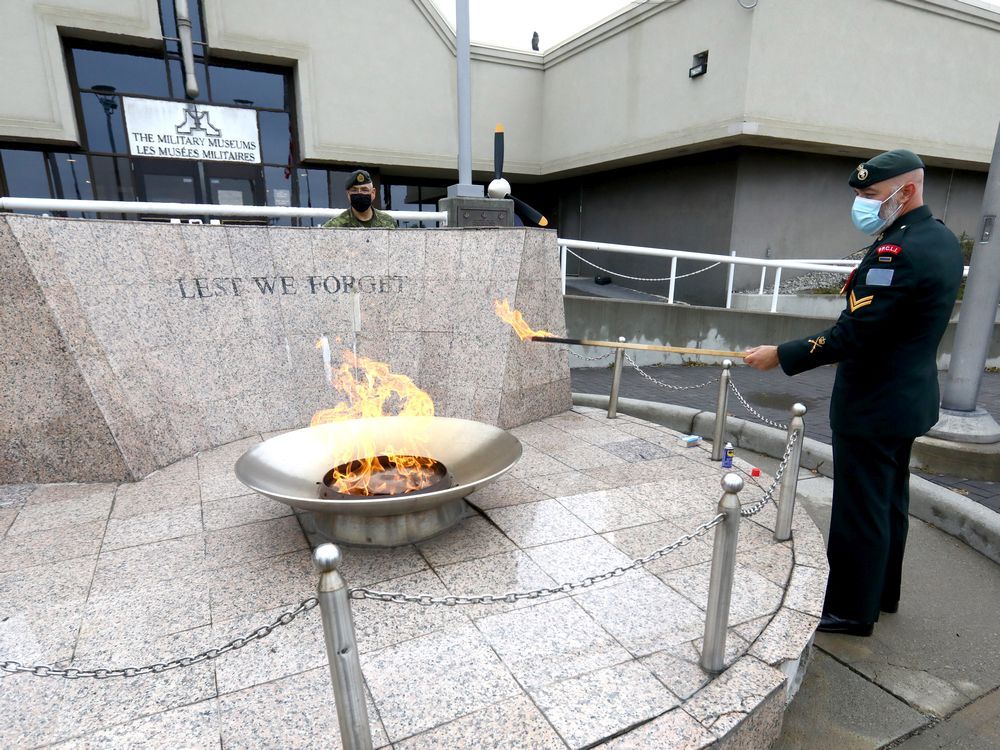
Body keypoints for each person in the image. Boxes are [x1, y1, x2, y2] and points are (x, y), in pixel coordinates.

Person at [744, 149, 963, 637]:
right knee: (887, 503)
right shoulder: (939, 238)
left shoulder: (898, 250)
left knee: (860, 510)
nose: (863, 204)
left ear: (905, 191)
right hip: (906, 398)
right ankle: (881, 594)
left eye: (870, 195)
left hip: (875, 402)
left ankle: (848, 610)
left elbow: (857, 333)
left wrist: (783, 353)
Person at [322, 169, 396, 228]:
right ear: (348, 194)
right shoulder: (334, 226)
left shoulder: (389, 223)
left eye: (364, 190)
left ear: (373, 193)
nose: (360, 193)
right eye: (354, 190)